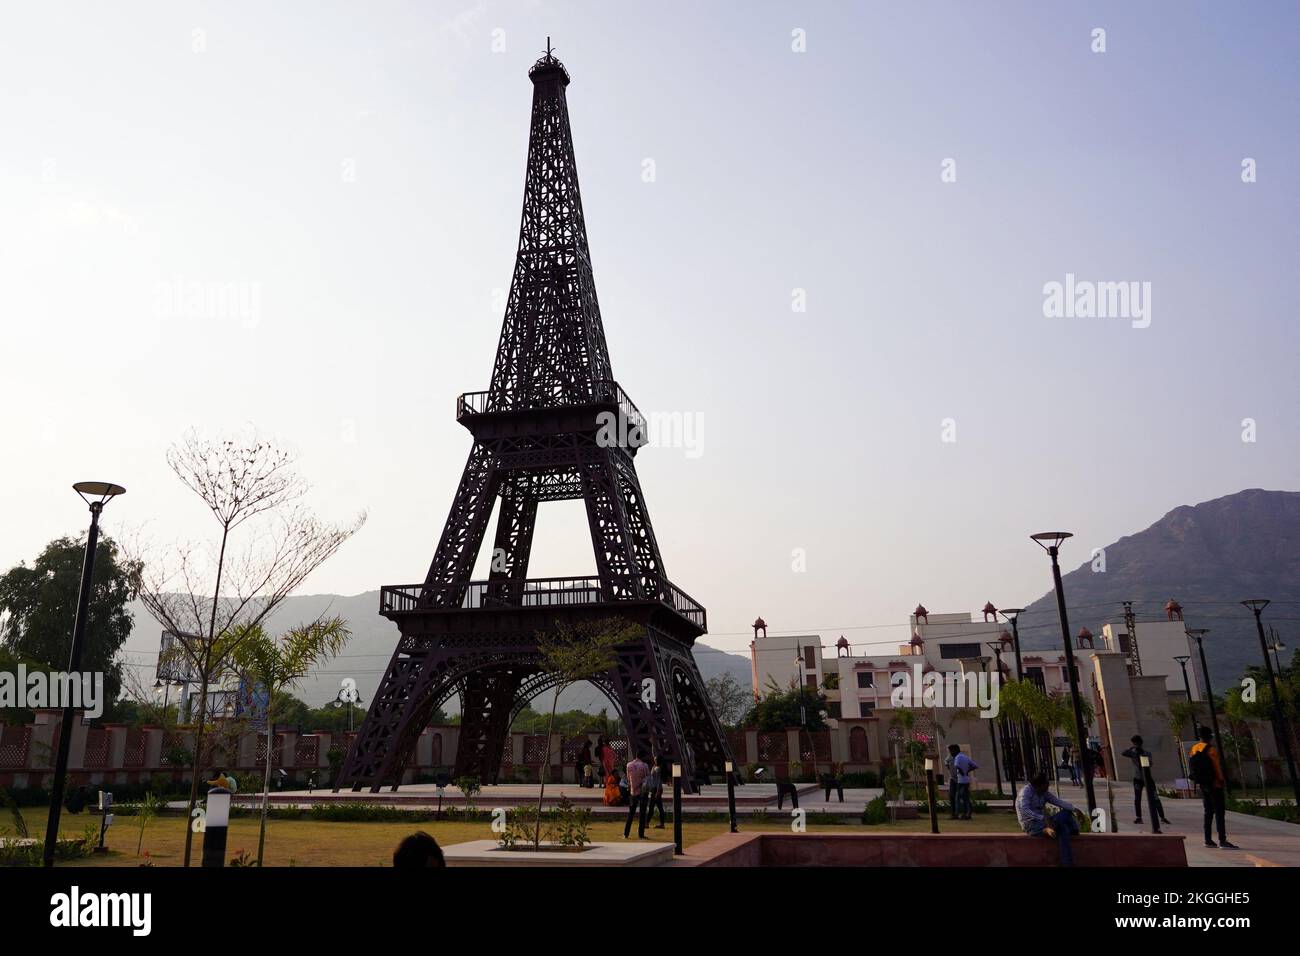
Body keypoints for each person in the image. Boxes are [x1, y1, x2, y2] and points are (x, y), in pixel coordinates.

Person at [1016, 772, 1080, 866]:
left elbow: (1057, 801)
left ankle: (1066, 863)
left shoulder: (1043, 792)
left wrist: (1075, 809)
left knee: (1066, 815)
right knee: (1063, 828)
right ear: (1039, 785)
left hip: (1046, 822)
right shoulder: (1025, 793)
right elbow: (1025, 810)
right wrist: (1042, 818)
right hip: (1031, 825)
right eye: (1046, 785)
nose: (1047, 787)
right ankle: (1068, 830)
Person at [1189, 726, 1238, 849]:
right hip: (1214, 784)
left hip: (1203, 784)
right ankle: (1222, 840)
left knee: (1208, 812)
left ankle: (1208, 839)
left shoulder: (1194, 749)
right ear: (1210, 737)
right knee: (1219, 813)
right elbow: (1216, 767)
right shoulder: (1211, 750)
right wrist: (1221, 781)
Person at [1120, 734, 1171, 827]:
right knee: (1138, 798)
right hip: (1138, 778)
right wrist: (1133, 749)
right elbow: (1123, 752)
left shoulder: (1146, 753)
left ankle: (1161, 817)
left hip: (1146, 778)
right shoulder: (1134, 752)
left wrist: (1136, 752)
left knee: (1154, 798)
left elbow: (1150, 764)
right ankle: (1139, 817)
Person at [623, 751, 651, 838]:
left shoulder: (629, 765)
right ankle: (641, 834)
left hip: (632, 791)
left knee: (631, 813)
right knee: (642, 813)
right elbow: (647, 777)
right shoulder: (644, 765)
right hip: (642, 791)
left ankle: (626, 833)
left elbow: (628, 778)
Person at [950, 744, 978, 820]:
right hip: (966, 780)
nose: (951, 754)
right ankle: (968, 813)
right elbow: (975, 765)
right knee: (966, 797)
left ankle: (957, 814)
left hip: (960, 781)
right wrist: (967, 771)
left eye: (951, 752)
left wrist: (962, 772)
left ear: (955, 750)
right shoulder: (965, 757)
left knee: (957, 798)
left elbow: (956, 766)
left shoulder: (957, 757)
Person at [646, 755, 667, 828]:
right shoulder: (655, 767)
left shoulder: (658, 769)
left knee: (652, 806)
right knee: (657, 806)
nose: (654, 760)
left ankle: (647, 823)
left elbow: (658, 781)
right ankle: (661, 823)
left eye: (655, 759)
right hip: (655, 789)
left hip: (656, 789)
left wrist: (658, 791)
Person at [943, 749, 958, 819]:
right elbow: (946, 762)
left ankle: (966, 813)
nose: (950, 752)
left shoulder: (960, 757)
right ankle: (954, 813)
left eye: (951, 751)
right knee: (952, 796)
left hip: (961, 780)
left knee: (962, 796)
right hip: (953, 779)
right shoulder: (949, 758)